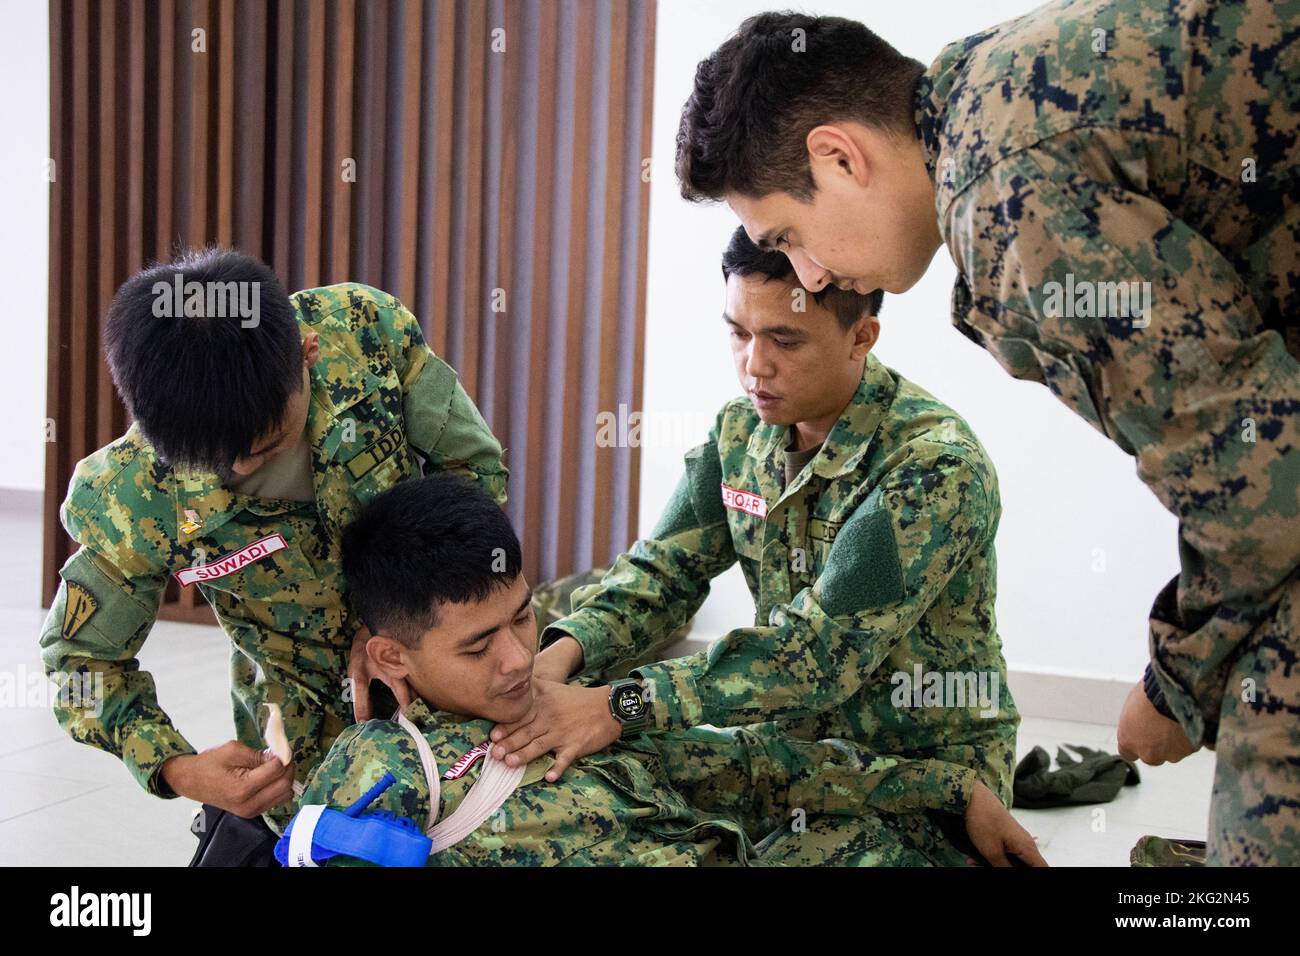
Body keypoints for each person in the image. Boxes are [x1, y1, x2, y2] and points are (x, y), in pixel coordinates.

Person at [672, 2, 1299, 865]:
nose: (806, 274)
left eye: (789, 237)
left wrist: (1177, 684)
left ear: (839, 156)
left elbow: (1263, 476)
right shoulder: (986, 93)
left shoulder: (1007, 194)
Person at [491, 227, 1022, 865]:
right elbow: (662, 575)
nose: (754, 365)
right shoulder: (740, 432)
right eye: (739, 333)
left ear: (861, 337)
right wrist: (558, 658)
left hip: (918, 778)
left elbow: (816, 659)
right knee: (582, 786)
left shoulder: (932, 467)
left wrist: (620, 702)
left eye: (784, 339)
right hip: (788, 757)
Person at [294, 472, 1044, 866]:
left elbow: (755, 767)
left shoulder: (574, 718)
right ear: (392, 655)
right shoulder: (393, 766)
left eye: (523, 616)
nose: (521, 658)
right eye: (477, 645)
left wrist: (953, 790)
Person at [38, 248, 507, 846]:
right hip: (301, 729)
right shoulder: (132, 496)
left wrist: (394, 620)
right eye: (211, 459)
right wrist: (178, 768)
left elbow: (473, 473)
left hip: (442, 659)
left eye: (262, 446)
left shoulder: (365, 335)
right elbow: (80, 665)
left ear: (306, 355)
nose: (237, 467)